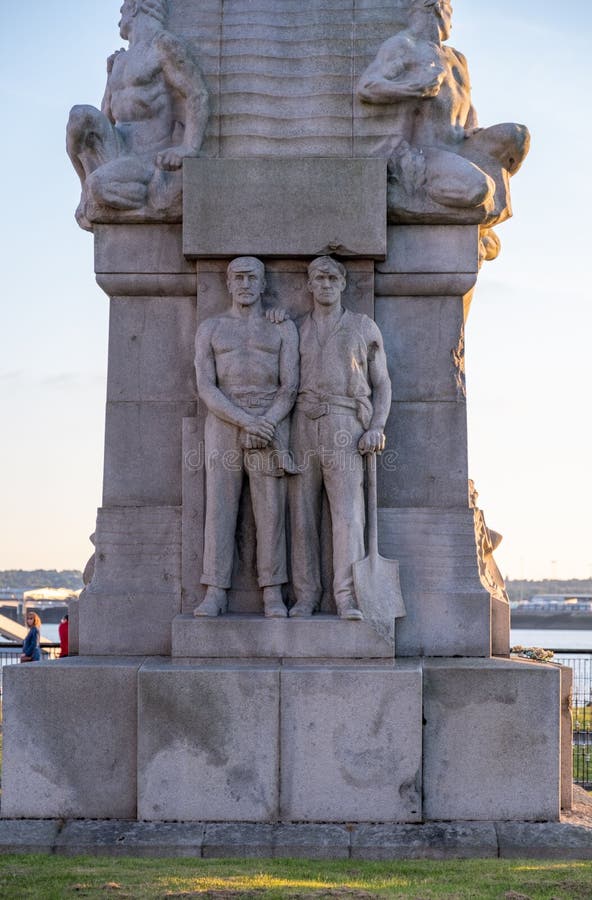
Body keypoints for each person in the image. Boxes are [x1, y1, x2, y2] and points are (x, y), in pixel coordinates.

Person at [193, 257, 300, 618]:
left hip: (270, 417)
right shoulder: (210, 328)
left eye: (252, 277)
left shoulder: (282, 328)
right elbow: (206, 386)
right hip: (224, 418)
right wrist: (244, 421)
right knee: (220, 507)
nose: (244, 283)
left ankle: (272, 592)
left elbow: (290, 386)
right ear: (227, 283)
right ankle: (216, 590)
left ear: (263, 283)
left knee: (270, 510)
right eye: (237, 277)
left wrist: (265, 422)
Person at [357, 0, 529, 217]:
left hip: (461, 142)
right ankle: (416, 198)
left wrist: (472, 127)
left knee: (518, 135)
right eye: (451, 10)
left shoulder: (457, 58)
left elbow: (466, 99)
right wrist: (414, 88)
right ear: (438, 6)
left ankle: (487, 202)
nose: (452, 20)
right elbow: (367, 87)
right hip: (427, 150)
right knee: (479, 188)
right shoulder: (404, 45)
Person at [289, 257, 391, 620]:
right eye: (319, 278)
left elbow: (382, 383)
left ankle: (346, 597)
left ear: (344, 284)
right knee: (301, 514)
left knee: (348, 516)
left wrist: (377, 426)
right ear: (310, 285)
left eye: (333, 277)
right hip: (302, 423)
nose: (327, 284)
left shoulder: (363, 327)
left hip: (346, 425)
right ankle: (305, 596)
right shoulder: (294, 328)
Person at [66, 0, 209, 229]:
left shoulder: (162, 45)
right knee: (79, 115)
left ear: (134, 8)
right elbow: (106, 117)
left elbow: (196, 93)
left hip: (147, 157)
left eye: (122, 10)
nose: (119, 18)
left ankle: (130, 192)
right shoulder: (120, 59)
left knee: (100, 185)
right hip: (117, 150)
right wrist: (108, 76)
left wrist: (188, 148)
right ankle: (86, 191)